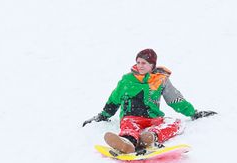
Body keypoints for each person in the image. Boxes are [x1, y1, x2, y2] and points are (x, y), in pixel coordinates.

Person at [82, 48, 216, 156]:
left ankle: (151, 136)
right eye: (138, 62)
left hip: (153, 119)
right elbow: (114, 99)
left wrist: (193, 112)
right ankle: (127, 142)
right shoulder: (127, 80)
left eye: (144, 63)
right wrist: (104, 115)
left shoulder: (160, 80)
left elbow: (175, 99)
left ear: (152, 65)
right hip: (131, 117)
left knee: (175, 123)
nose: (140, 66)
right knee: (129, 126)